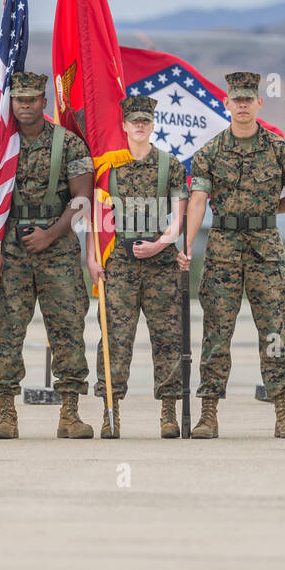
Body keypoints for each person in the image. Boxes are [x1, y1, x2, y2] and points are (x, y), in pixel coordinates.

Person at [177, 72, 285, 438]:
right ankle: (208, 414)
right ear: (227, 104)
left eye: (248, 100)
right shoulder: (209, 153)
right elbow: (199, 202)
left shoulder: (280, 150)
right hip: (222, 250)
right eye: (236, 100)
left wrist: (266, 214)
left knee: (273, 333)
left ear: (258, 104)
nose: (242, 105)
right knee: (217, 333)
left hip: (265, 251)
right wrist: (187, 246)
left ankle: (283, 413)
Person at [0, 72, 95, 439]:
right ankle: (7, 413)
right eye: (19, 100)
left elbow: (81, 200)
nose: (24, 106)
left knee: (67, 329)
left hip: (57, 246)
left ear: (45, 103)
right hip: (9, 248)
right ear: (11, 103)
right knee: (7, 331)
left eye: (31, 100)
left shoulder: (69, 144)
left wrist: (51, 235)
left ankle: (70, 414)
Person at [87, 96, 189, 438]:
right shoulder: (109, 168)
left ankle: (169, 412)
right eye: (135, 121)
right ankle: (110, 412)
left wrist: (162, 243)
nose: (141, 126)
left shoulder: (170, 166)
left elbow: (179, 217)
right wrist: (92, 257)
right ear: (125, 126)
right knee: (115, 339)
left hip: (161, 264)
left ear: (153, 125)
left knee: (168, 338)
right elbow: (94, 217)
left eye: (146, 121)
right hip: (119, 264)